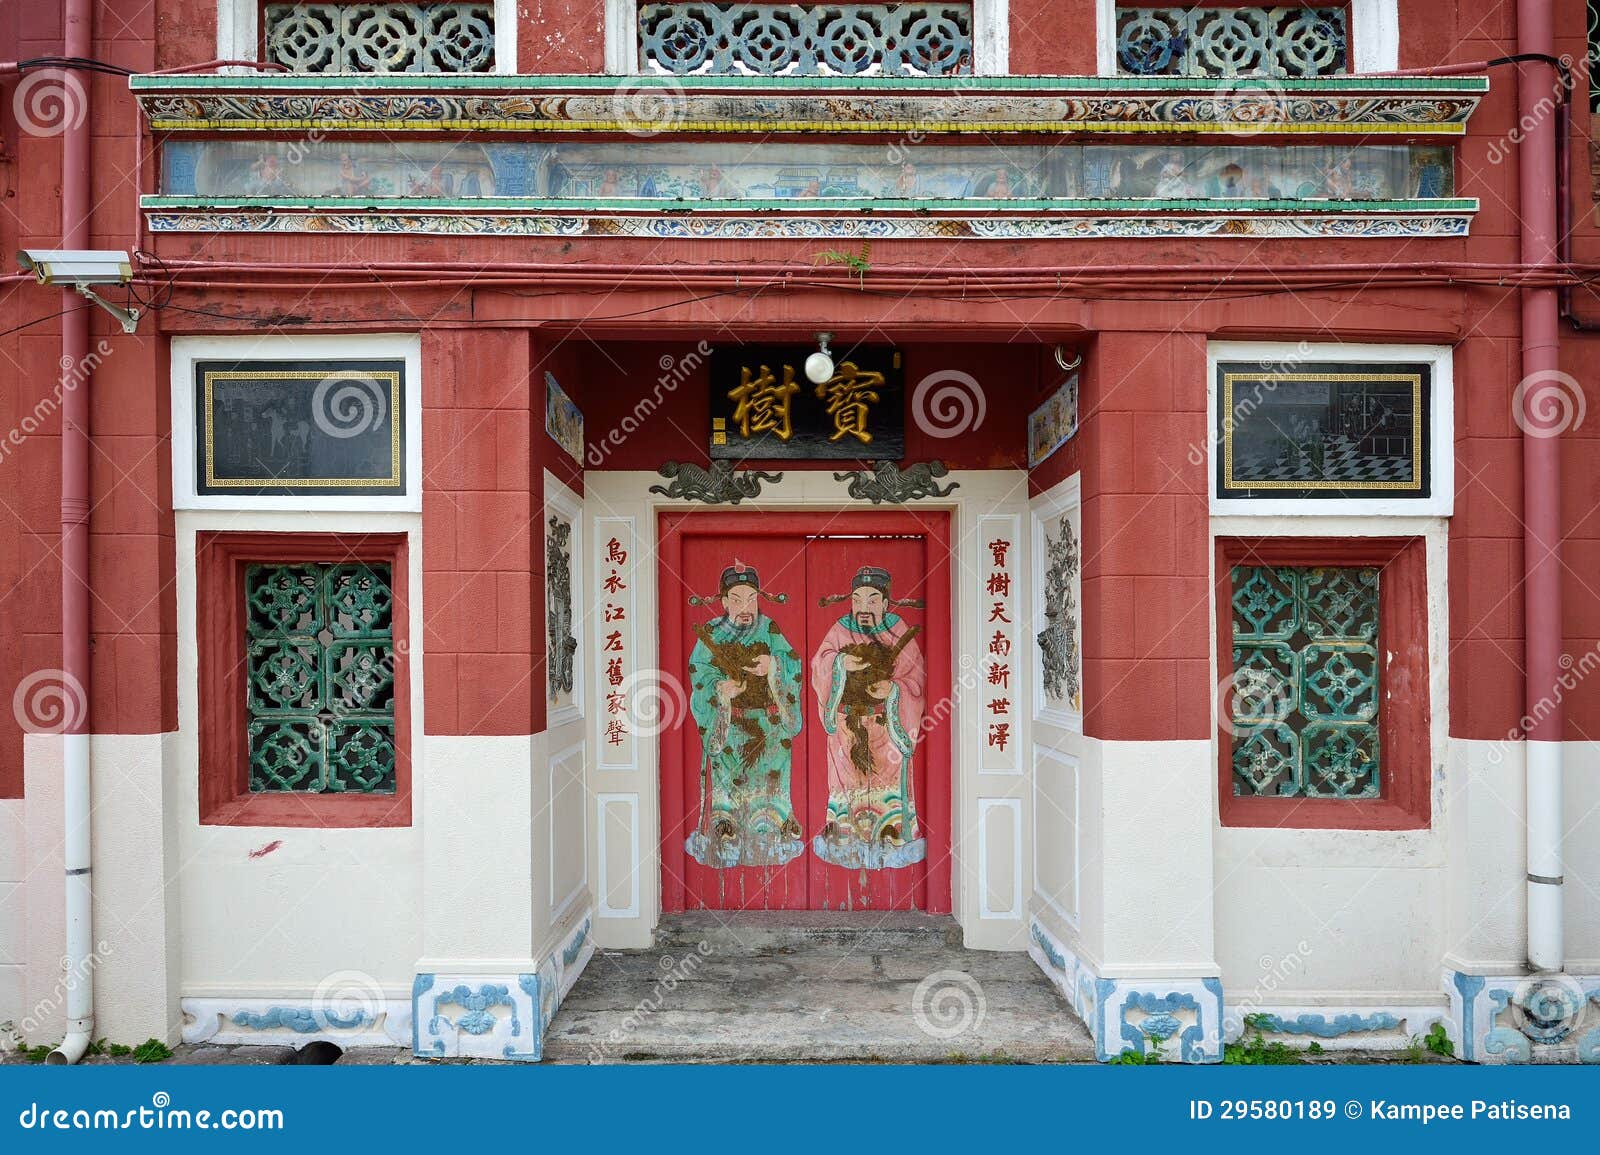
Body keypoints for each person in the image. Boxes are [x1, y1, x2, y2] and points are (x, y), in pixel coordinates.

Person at [686, 562, 804, 868]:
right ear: (724, 602)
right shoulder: (711, 633)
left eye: (751, 598)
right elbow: (699, 673)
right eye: (736, 599)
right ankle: (728, 839)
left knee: (769, 794)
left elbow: (794, 665)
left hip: (769, 729)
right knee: (729, 794)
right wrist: (720, 688)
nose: (744, 606)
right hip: (730, 729)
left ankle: (770, 838)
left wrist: (773, 667)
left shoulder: (770, 629)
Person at [810, 566, 927, 869]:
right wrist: (838, 664)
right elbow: (818, 667)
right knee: (847, 788)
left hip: (885, 726)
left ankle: (890, 837)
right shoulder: (839, 629)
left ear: (886, 603)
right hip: (847, 730)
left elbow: (915, 679)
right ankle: (845, 839)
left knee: (885, 791)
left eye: (873, 599)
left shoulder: (898, 629)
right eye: (858, 599)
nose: (864, 607)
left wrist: (893, 688)